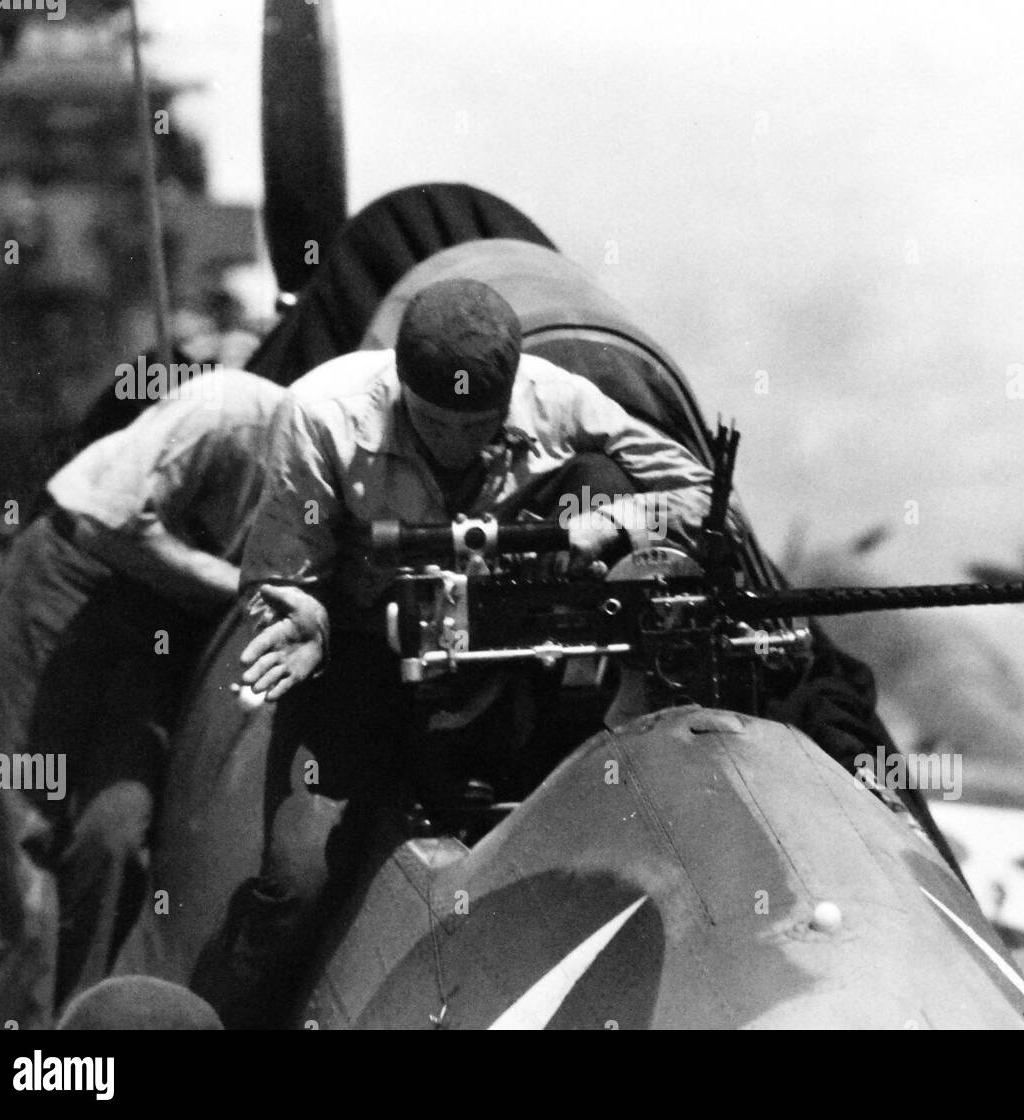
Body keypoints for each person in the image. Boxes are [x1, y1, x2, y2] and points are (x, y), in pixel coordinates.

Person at [192, 278, 718, 1026]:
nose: (460, 446)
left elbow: (695, 488)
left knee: (603, 479)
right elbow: (278, 577)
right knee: (296, 885)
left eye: (483, 425)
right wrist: (307, 619)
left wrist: (612, 523)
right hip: (359, 653)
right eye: (438, 424)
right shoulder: (320, 414)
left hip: (502, 654)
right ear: (400, 387)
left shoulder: (558, 399)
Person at [0, 369, 286, 1030]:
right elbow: (98, 525)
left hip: (160, 620)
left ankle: (82, 1032)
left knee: (116, 832)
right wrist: (228, 580)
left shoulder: (337, 479)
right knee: (16, 815)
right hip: (68, 580)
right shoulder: (226, 409)